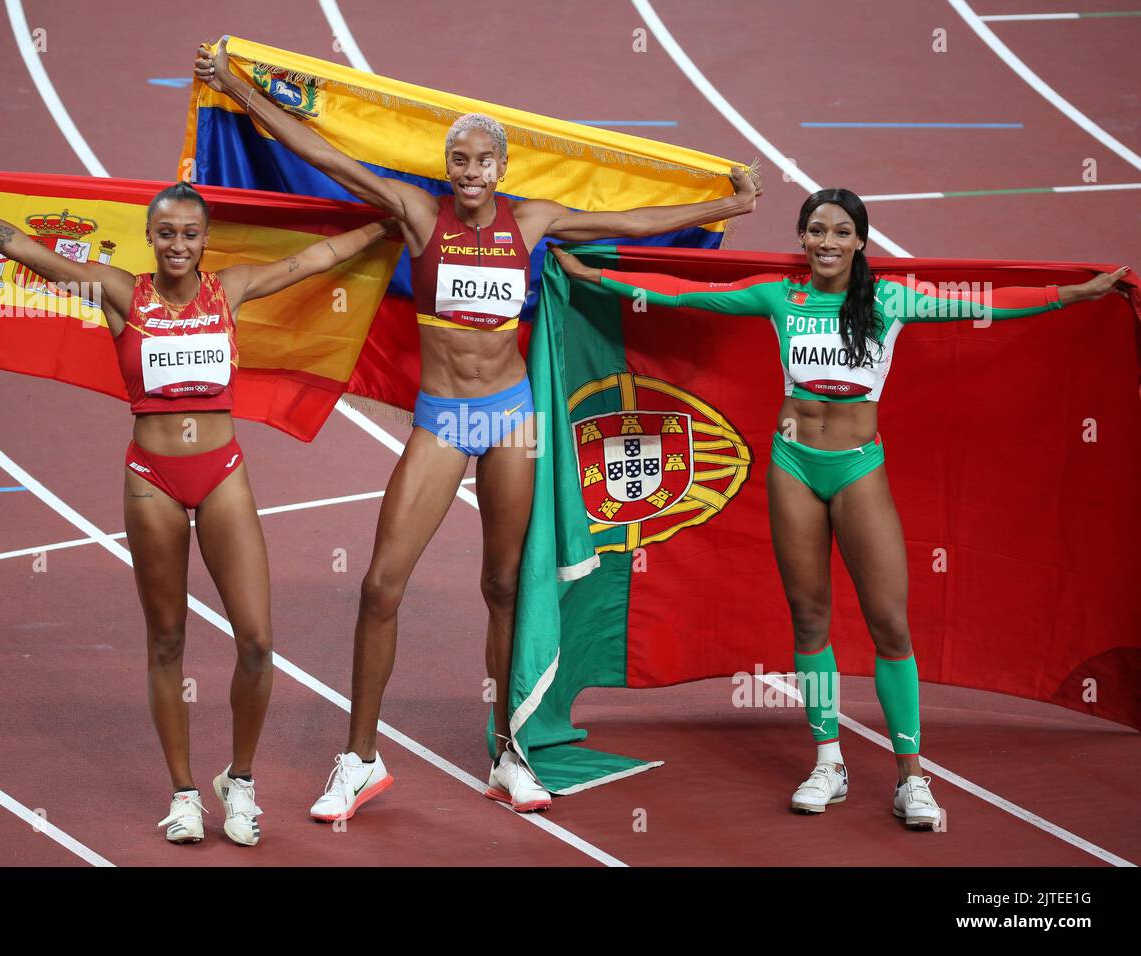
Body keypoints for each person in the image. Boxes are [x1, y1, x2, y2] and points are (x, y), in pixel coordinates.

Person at [193, 39, 761, 820]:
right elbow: (321, 154)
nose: (467, 171)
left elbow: (635, 220)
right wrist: (234, 87)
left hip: (511, 421)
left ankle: (509, 753)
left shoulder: (536, 221)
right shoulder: (418, 214)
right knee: (380, 586)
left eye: (480, 160)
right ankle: (358, 759)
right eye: (457, 158)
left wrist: (726, 206)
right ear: (448, 164)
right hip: (441, 421)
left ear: (500, 168)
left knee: (502, 587)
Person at [550, 189, 1127, 828]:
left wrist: (1070, 296)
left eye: (840, 232)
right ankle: (829, 760)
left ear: (859, 242)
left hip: (858, 469)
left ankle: (913, 776)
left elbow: (985, 304)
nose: (827, 242)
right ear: (803, 238)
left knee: (890, 625)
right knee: (809, 620)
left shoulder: (891, 301)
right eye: (816, 230)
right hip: (793, 466)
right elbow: (682, 295)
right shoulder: (779, 296)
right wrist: (594, 276)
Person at [0, 165, 396, 844]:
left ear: (206, 239)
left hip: (222, 474)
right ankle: (185, 793)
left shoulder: (233, 289)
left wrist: (389, 224)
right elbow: (13, 243)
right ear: (150, 237)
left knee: (257, 641)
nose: (178, 244)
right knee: (166, 642)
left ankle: (238, 782)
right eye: (166, 233)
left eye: (190, 233)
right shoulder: (118, 294)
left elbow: (318, 258)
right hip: (150, 480)